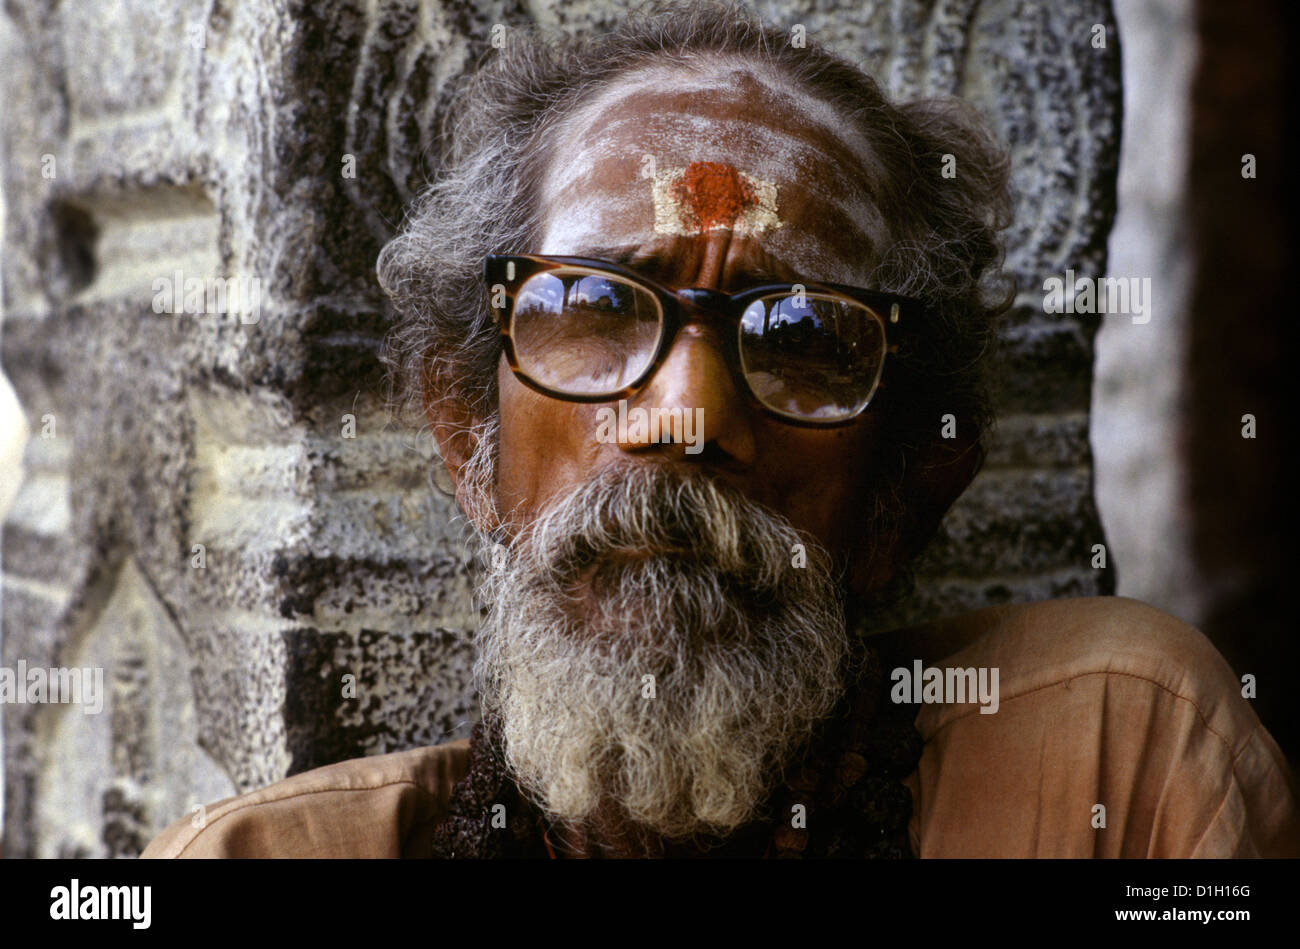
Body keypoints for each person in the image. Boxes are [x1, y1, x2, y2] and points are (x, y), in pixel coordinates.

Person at [143, 0, 1298, 859]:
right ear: (466, 440)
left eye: (799, 335)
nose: (687, 414)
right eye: (593, 308)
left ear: (905, 487)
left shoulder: (1118, 766)